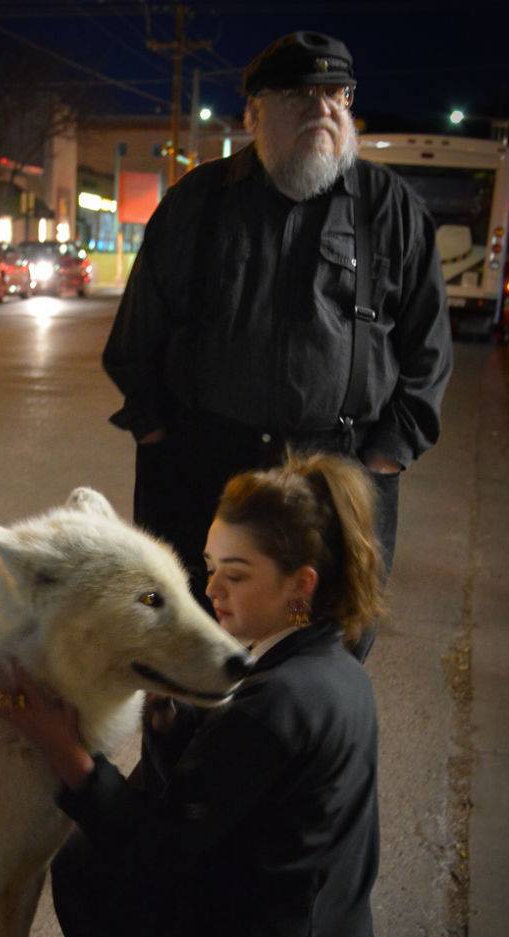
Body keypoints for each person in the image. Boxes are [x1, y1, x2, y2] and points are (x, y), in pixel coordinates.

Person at [0, 451, 383, 937]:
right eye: (208, 567)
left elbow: (154, 847)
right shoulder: (330, 656)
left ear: (302, 586)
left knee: (86, 867)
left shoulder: (280, 705)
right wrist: (174, 715)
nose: (213, 593)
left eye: (236, 577)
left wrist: (61, 744)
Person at [102, 29, 452, 624]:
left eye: (336, 92)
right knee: (192, 640)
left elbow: (428, 350)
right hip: (205, 470)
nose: (321, 107)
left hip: (340, 471)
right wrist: (158, 435)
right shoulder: (198, 203)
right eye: (298, 92)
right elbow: (137, 336)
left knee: (326, 645)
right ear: (253, 113)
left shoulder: (388, 208)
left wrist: (384, 458)